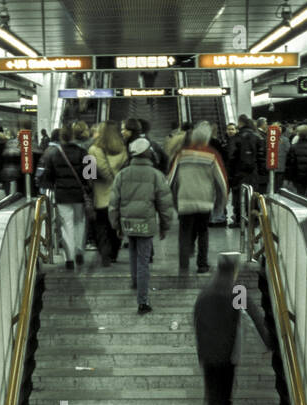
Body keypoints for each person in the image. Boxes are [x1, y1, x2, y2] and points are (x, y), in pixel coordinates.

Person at [193, 253, 269, 405]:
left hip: (208, 350)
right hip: (227, 350)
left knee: (212, 389)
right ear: (234, 270)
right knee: (226, 383)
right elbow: (254, 317)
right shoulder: (236, 291)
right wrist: (268, 342)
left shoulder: (206, 291)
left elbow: (197, 320)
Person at [108, 137, 174, 314]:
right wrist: (165, 225)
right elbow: (165, 203)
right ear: (148, 153)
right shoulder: (155, 175)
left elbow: (114, 203)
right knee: (143, 260)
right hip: (146, 223)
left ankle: (136, 282)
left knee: (133, 253)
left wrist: (116, 224)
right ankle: (142, 302)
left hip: (128, 222)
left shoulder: (122, 174)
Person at [167, 121, 228, 276]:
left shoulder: (181, 154)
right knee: (203, 232)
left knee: (184, 232)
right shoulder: (212, 154)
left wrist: (170, 200)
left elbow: (170, 179)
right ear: (207, 138)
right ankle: (202, 264)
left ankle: (183, 265)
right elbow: (221, 182)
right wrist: (221, 203)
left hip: (184, 199)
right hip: (205, 200)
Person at [39, 126, 91, 270]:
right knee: (79, 222)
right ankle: (79, 249)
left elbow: (48, 177)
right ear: (74, 137)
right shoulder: (83, 152)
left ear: (61, 137)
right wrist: (88, 188)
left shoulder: (53, 154)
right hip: (79, 194)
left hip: (62, 195)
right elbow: (91, 174)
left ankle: (69, 258)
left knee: (66, 225)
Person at [87, 122, 128, 266]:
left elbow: (88, 174)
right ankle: (113, 254)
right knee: (115, 226)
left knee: (101, 226)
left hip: (100, 195)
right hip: (118, 195)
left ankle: (105, 253)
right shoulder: (123, 150)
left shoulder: (92, 149)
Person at [228, 115, 261, 227]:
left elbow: (231, 157)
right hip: (253, 173)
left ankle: (239, 220)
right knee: (253, 195)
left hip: (238, 173)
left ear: (240, 123)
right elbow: (262, 156)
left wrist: (230, 174)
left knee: (238, 196)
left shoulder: (236, 138)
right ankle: (254, 219)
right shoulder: (257, 137)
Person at [285, 124, 307, 195]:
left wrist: (289, 178)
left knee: (299, 194)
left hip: (297, 178)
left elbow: (291, 164)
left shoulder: (294, 147)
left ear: (299, 134)